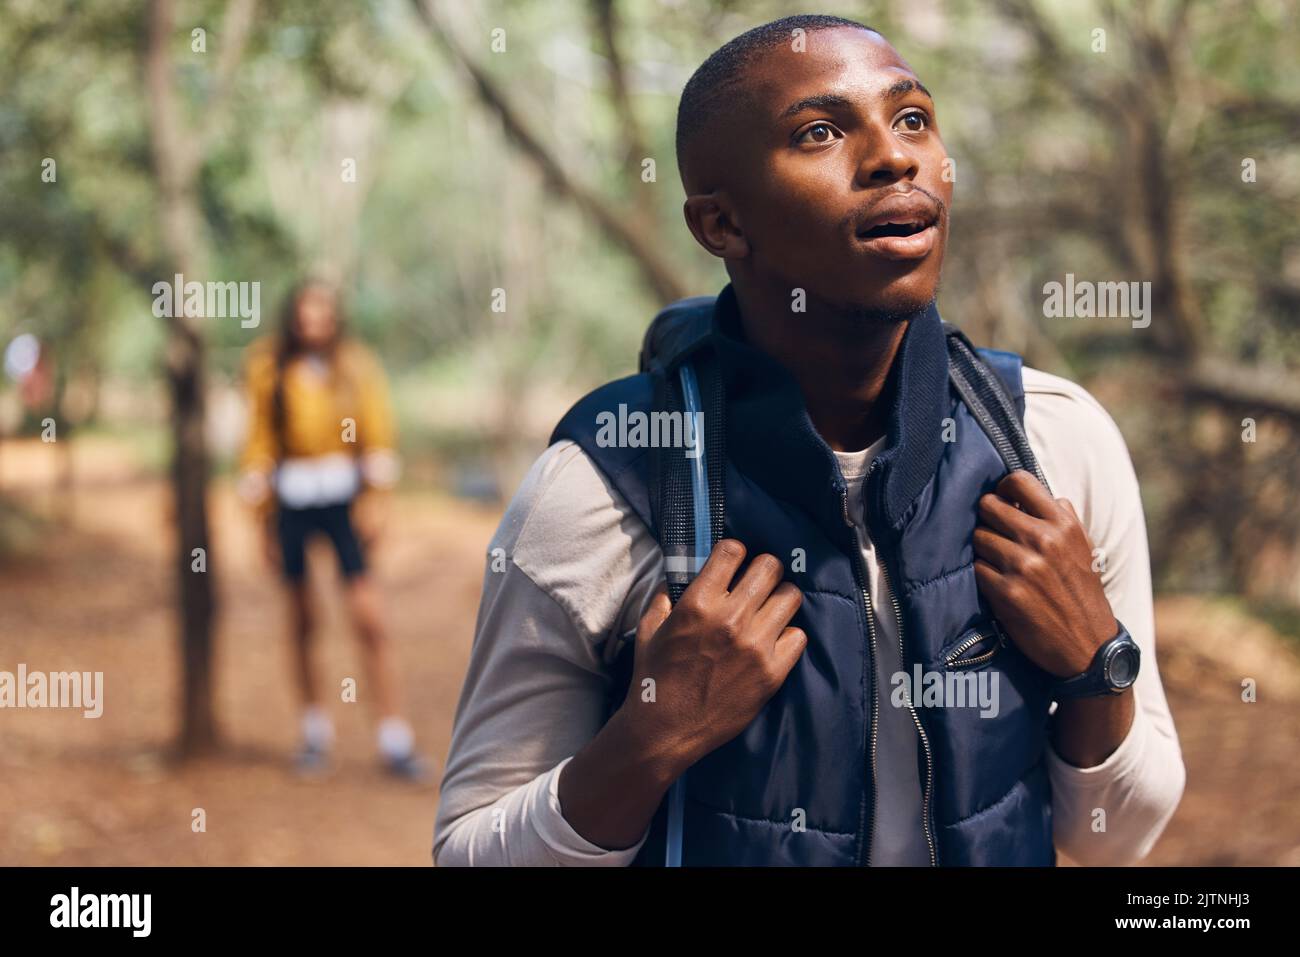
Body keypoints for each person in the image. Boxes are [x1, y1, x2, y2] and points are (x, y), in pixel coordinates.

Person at [433, 15, 1184, 865]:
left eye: (912, 119)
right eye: (820, 132)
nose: (895, 156)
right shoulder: (599, 488)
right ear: (721, 226)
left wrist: (1096, 659)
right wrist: (649, 737)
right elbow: (469, 849)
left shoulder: (1052, 445)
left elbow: (1121, 837)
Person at [239, 279, 427, 781]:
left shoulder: (355, 366)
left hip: (343, 503)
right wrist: (260, 518)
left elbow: (377, 433)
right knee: (302, 618)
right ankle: (313, 732)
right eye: (304, 313)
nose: (312, 323)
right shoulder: (268, 367)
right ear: (293, 317)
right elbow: (258, 442)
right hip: (292, 503)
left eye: (321, 313)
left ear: (334, 317)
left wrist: (378, 501)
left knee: (369, 619)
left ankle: (394, 738)